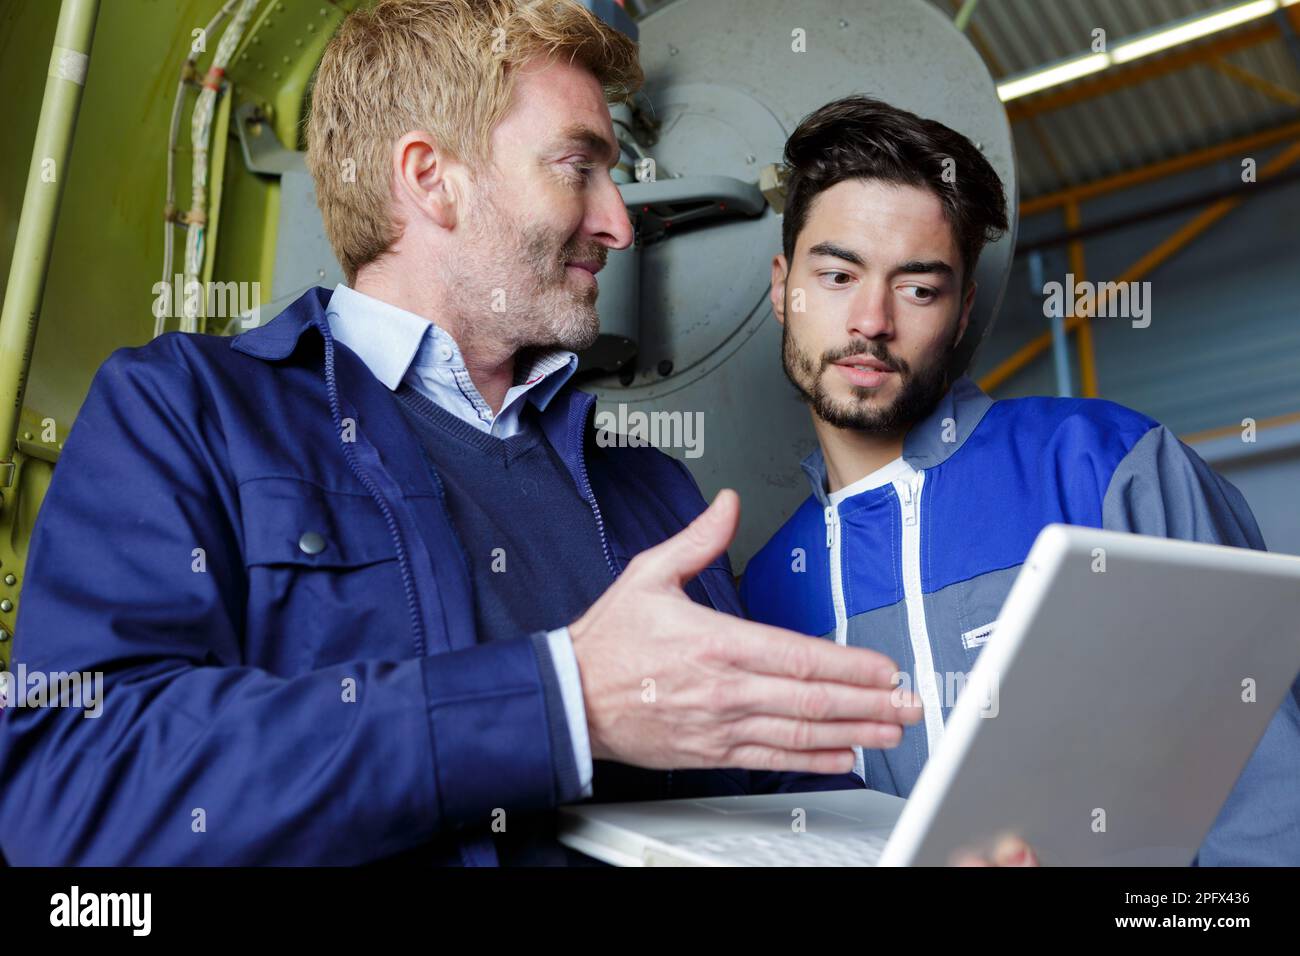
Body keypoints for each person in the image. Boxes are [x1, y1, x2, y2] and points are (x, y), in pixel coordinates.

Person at [0, 0, 937, 866]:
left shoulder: (652, 491)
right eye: (579, 168)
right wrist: (561, 701)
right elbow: (73, 785)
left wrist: (909, 855)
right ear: (429, 179)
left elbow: (775, 794)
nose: (617, 222)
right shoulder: (186, 413)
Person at [740, 94, 1300, 866]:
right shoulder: (763, 595)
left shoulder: (1105, 469)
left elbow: (1273, 826)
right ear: (782, 287)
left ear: (964, 309)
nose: (871, 319)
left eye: (918, 287)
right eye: (837, 274)